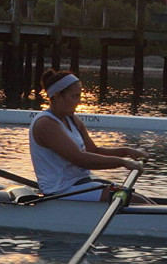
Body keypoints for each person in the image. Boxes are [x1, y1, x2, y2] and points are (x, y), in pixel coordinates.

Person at [29, 68, 147, 202]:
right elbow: (81, 160)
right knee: (137, 201)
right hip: (60, 191)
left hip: (80, 184)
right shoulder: (46, 124)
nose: (78, 102)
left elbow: (94, 151)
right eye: (74, 96)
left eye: (79, 96)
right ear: (56, 97)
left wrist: (127, 151)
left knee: (141, 199)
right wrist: (122, 163)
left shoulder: (72, 119)